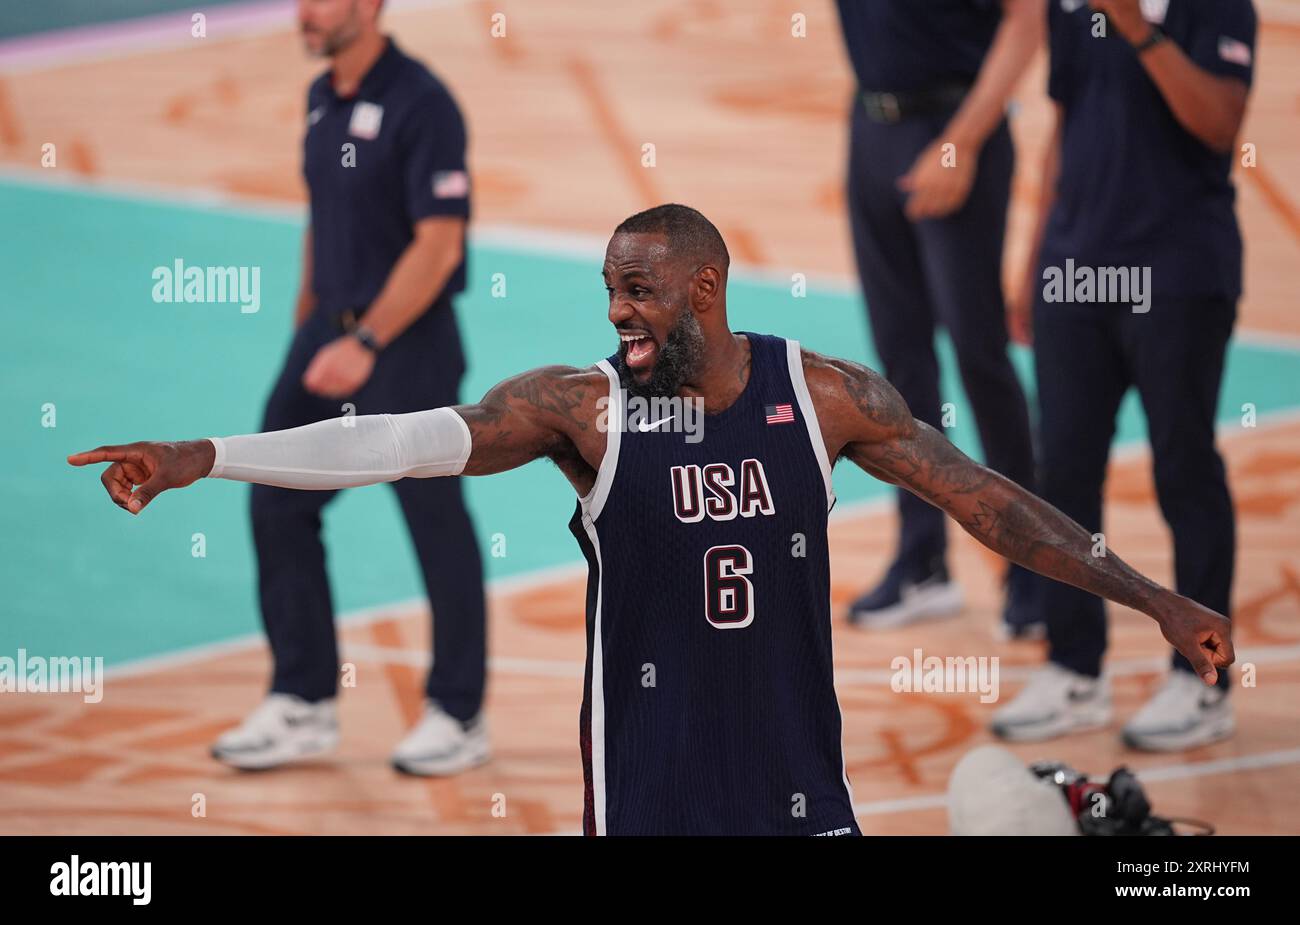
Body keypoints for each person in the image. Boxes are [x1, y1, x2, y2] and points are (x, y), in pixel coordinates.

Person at [69, 204, 1233, 836]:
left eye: (639, 290)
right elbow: (393, 441)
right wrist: (203, 457)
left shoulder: (822, 395)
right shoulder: (585, 411)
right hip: (651, 797)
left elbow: (996, 509)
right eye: (610, 291)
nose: (620, 314)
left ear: (705, 292)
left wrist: (1156, 600)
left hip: (797, 789)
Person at [215, 0, 488, 775]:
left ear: (370, 5)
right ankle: (303, 700)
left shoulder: (424, 104)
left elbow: (439, 246)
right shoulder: (320, 97)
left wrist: (367, 339)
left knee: (434, 518)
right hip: (327, 337)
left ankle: (459, 713)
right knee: (276, 498)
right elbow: (320, 215)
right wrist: (308, 324)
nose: (304, 11)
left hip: (403, 345)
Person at [994, 0, 1255, 751]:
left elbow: (1218, 122)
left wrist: (1137, 24)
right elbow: (1063, 134)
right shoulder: (1073, 8)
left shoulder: (1217, 7)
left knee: (1184, 469)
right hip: (1076, 275)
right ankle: (1075, 667)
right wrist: (1036, 263)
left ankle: (1200, 683)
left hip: (1179, 274)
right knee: (1063, 475)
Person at [835, 0, 1045, 635]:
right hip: (871, 125)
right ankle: (922, 561)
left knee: (979, 353)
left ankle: (1033, 569)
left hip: (952, 129)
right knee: (898, 364)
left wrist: (962, 141)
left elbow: (1027, 18)